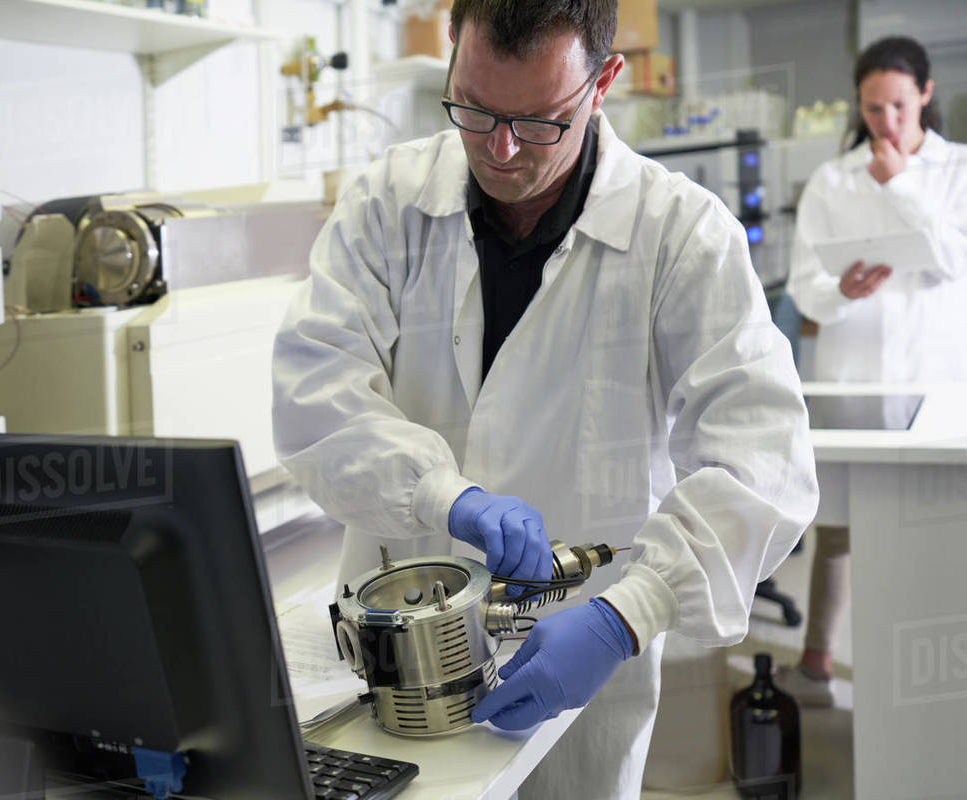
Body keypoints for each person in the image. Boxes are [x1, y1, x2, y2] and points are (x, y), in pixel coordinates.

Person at [273, 1, 819, 796]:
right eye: (474, 108)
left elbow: (763, 462)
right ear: (454, 52)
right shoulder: (387, 204)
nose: (499, 149)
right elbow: (314, 388)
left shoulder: (682, 235)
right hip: (395, 667)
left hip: (578, 654)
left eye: (537, 122)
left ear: (604, 81)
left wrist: (627, 615)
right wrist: (442, 496)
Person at [782, 36, 967, 707]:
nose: (885, 121)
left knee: (937, 524)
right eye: (871, 108)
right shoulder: (832, 180)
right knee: (839, 525)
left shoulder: (956, 170)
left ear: (924, 94)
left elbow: (954, 262)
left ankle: (934, 667)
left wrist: (901, 185)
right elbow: (804, 288)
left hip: (935, 381)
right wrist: (841, 289)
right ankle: (817, 663)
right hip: (854, 378)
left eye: (897, 106)